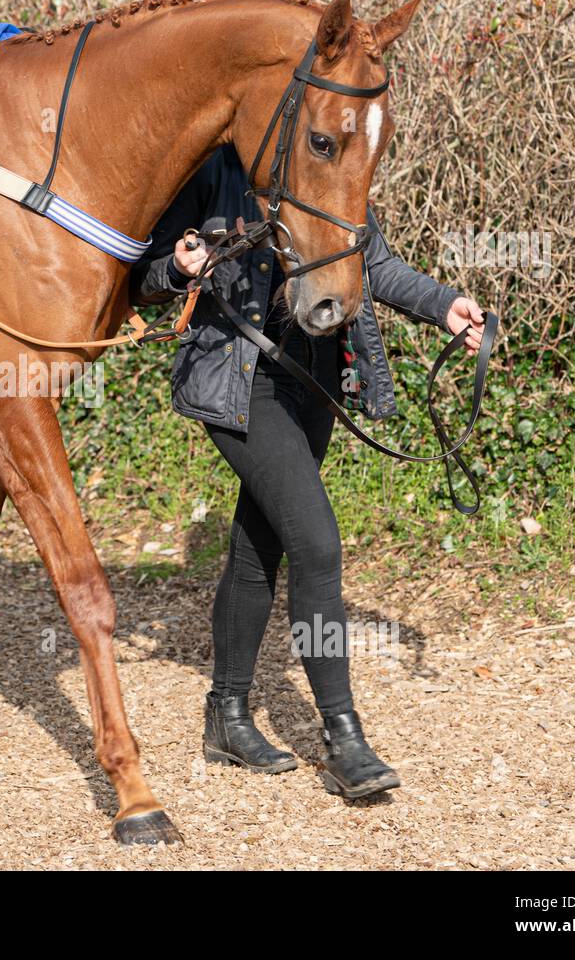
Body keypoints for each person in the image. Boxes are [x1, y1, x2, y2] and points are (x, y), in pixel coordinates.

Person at [131, 144, 487, 799]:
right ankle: (343, 737)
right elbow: (139, 271)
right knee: (316, 545)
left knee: (258, 544)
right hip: (241, 385)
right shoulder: (214, 168)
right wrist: (176, 267)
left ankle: (227, 717)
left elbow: (371, 262)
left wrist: (444, 304)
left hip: (313, 380)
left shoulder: (325, 160)